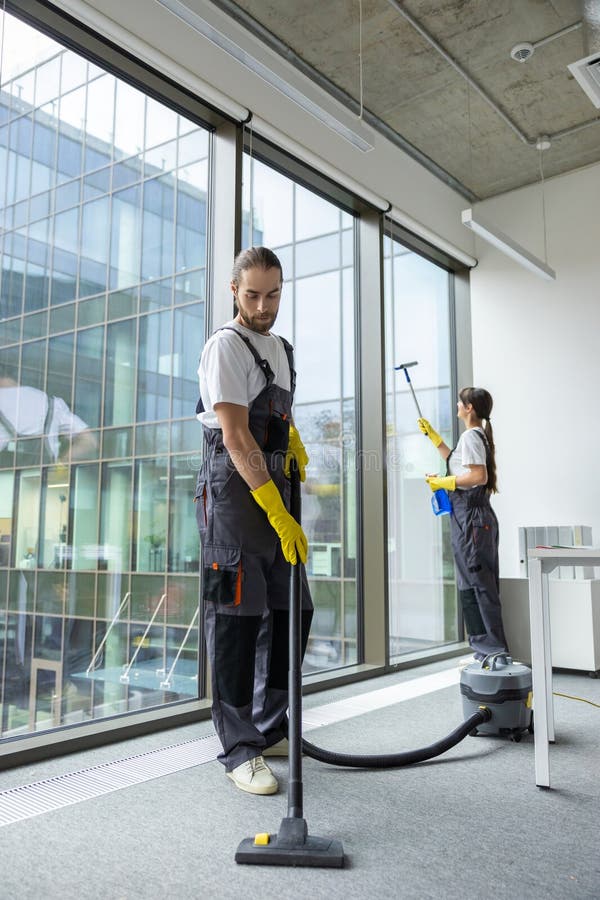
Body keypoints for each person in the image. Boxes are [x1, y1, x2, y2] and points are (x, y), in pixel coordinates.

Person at [195, 246, 313, 796]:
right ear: (233, 291)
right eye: (252, 295)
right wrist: (277, 512)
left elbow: (273, 418)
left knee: (293, 609)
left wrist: (291, 439)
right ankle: (239, 747)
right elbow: (237, 436)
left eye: (273, 295)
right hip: (235, 495)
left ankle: (271, 726)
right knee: (238, 620)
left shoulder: (281, 348)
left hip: (275, 489)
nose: (263, 306)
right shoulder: (226, 346)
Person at [418, 387, 509, 662]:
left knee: (478, 586)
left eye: (461, 402)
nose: (457, 405)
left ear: (469, 408)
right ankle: (484, 650)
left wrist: (444, 482)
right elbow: (457, 462)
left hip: (471, 520)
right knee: (471, 585)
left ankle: (493, 651)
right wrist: (433, 437)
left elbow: (477, 476)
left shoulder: (471, 435)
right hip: (471, 520)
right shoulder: (475, 435)